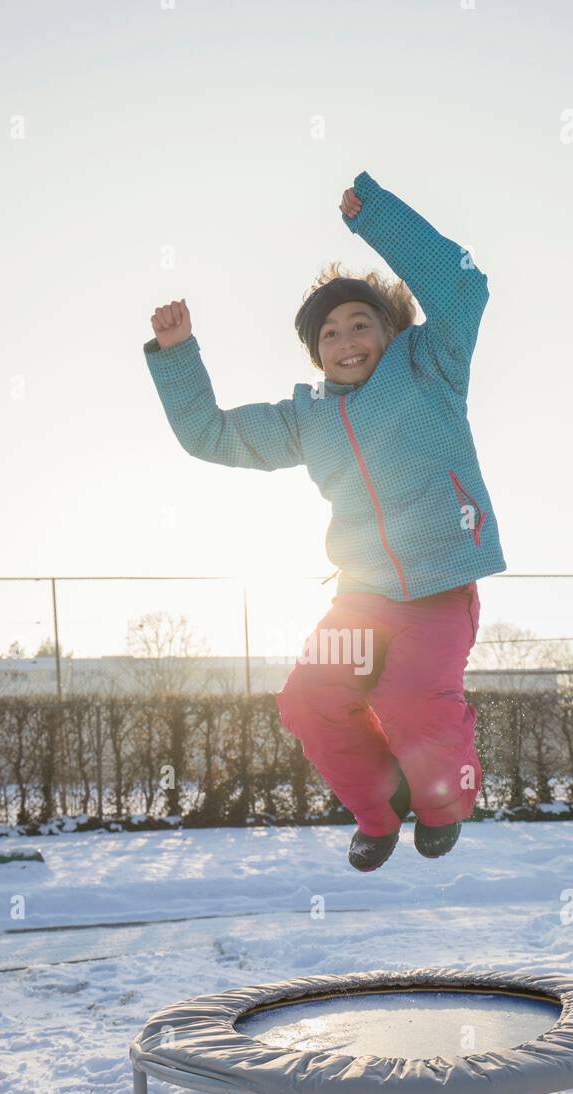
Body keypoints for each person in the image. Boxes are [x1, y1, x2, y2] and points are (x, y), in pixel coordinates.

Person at [144, 170, 506, 871]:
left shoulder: (433, 365)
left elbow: (467, 287)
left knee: (411, 701)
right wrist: (177, 354)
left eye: (360, 323)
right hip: (362, 601)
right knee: (310, 700)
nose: (347, 340)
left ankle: (443, 802)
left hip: (437, 590)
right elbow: (211, 436)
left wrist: (377, 218)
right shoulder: (308, 419)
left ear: (389, 330)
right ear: (317, 355)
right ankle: (378, 811)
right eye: (331, 334)